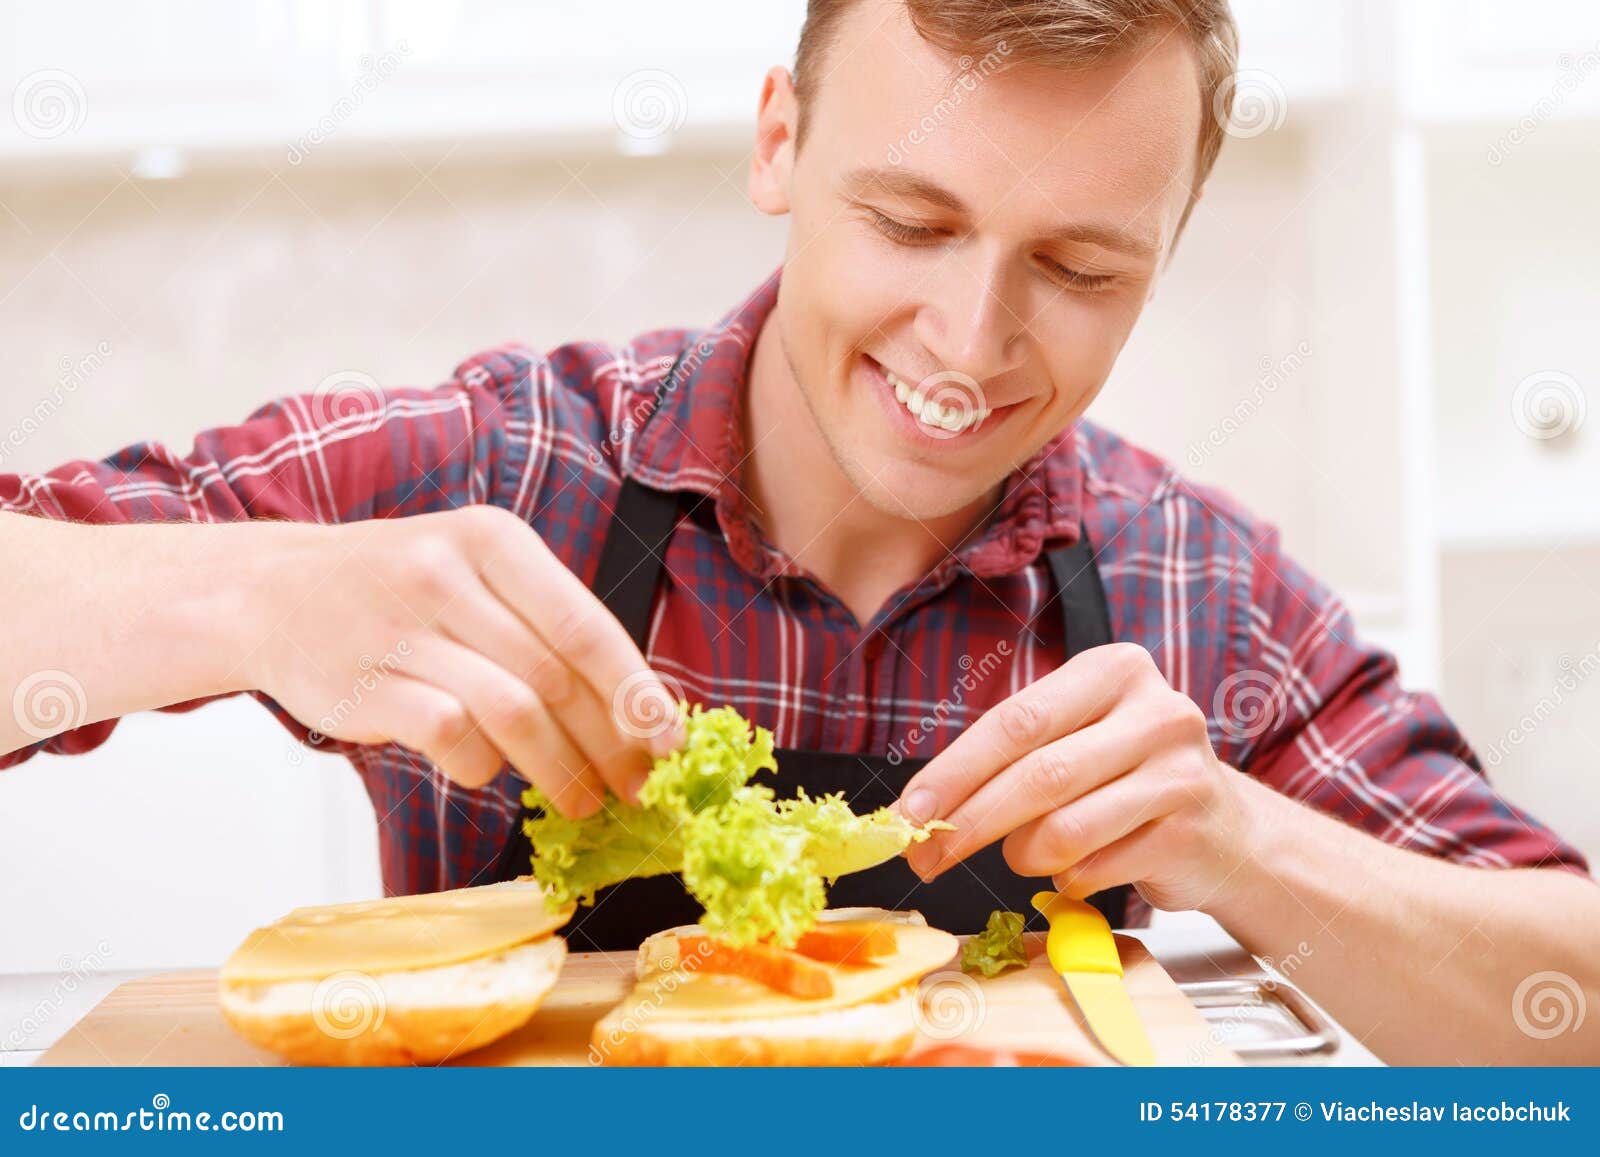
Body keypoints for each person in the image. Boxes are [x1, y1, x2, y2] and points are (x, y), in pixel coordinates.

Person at [2, 0, 1595, 1064]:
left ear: (1166, 250)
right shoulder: (507, 469)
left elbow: (1568, 1003)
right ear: (778, 141)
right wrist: (249, 595)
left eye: (1083, 267)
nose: (970, 340)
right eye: (911, 222)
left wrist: (1244, 846)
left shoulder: (1201, 590)